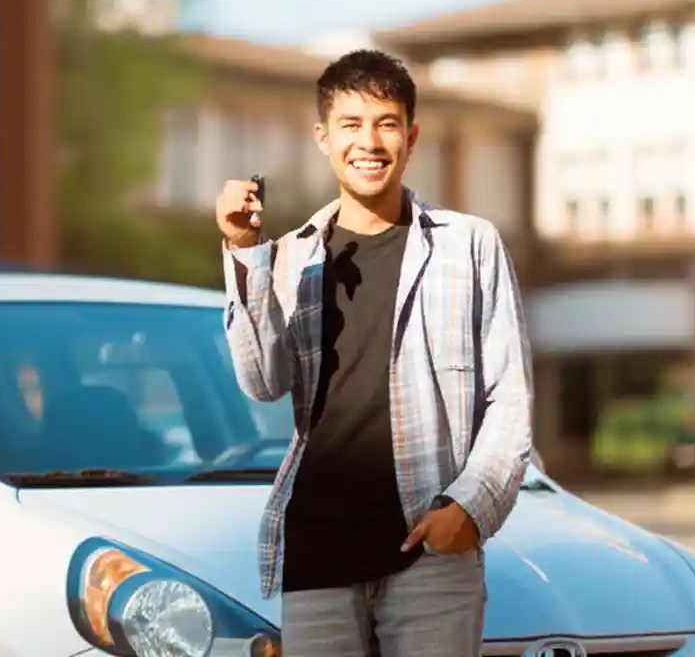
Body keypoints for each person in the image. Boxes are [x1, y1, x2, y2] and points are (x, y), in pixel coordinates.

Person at [215, 49, 534, 656]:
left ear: (411, 137)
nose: (370, 141)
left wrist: (469, 509)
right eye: (351, 124)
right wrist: (243, 250)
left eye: (387, 123)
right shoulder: (289, 256)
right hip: (316, 555)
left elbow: (510, 399)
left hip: (428, 551)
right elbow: (262, 380)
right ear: (323, 137)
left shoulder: (469, 246)